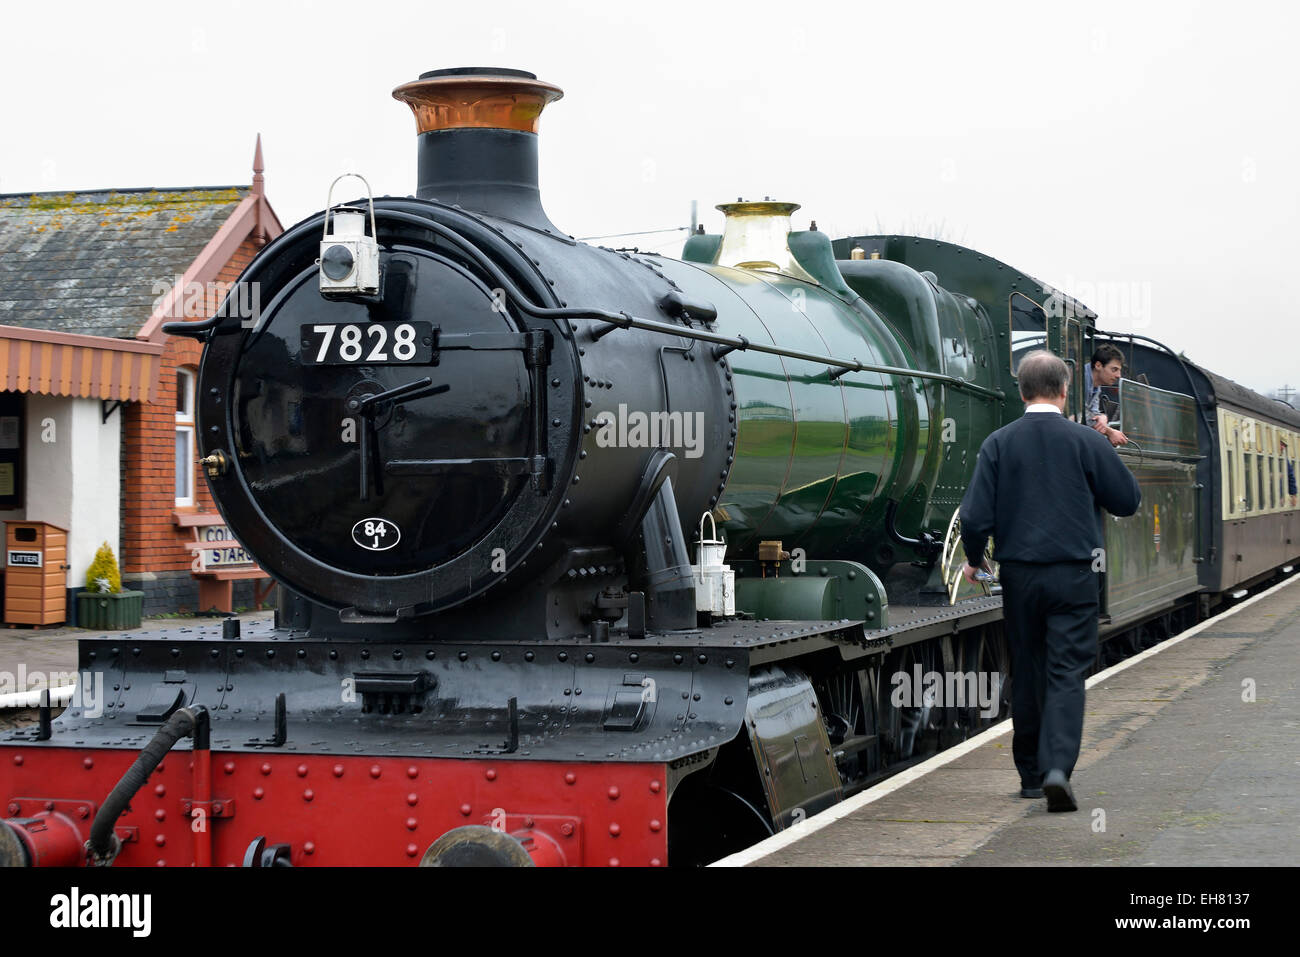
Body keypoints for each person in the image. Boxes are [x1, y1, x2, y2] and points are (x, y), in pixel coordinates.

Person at [959, 350, 1141, 812]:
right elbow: (1127, 501)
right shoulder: (1085, 441)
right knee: (1065, 672)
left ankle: (1031, 779)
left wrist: (974, 559)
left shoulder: (998, 443)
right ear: (1064, 392)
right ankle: (1058, 767)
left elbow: (976, 515)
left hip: (1020, 576)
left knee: (1028, 668)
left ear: (1021, 392)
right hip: (1076, 575)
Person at [1083, 344, 1129, 447]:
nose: (1118, 375)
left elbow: (1094, 415)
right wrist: (1110, 432)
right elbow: (1080, 414)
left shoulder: (1096, 386)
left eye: (1119, 370)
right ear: (1098, 365)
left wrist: (1102, 416)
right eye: (1114, 369)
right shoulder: (1080, 379)